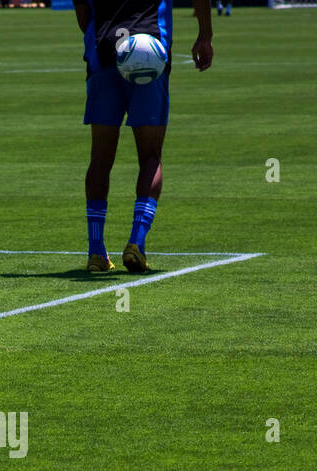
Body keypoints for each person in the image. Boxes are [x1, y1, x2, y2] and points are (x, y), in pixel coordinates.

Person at [73, 0, 212, 273]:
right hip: (150, 52)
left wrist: (98, 33)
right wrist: (205, 35)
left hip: (104, 52)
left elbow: (81, 6)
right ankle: (136, 243)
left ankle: (96, 251)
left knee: (100, 158)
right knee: (150, 155)